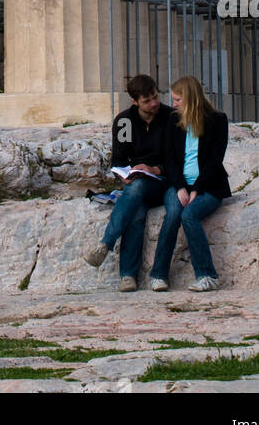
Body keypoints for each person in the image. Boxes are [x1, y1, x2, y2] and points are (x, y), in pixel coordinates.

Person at [83, 74, 172, 291]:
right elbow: (119, 160)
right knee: (137, 212)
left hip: (165, 179)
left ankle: (106, 243)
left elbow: (178, 159)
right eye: (147, 100)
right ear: (135, 102)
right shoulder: (125, 121)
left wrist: (154, 169)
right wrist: (124, 175)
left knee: (137, 188)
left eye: (155, 97)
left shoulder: (171, 117)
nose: (154, 103)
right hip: (138, 182)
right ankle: (128, 277)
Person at [149, 75, 231, 293]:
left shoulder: (218, 120)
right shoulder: (173, 120)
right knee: (173, 215)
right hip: (179, 184)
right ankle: (158, 275)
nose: (173, 104)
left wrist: (197, 189)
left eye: (177, 100)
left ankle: (207, 275)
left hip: (209, 186)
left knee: (189, 215)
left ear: (190, 98)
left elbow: (215, 160)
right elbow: (170, 159)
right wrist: (181, 187)